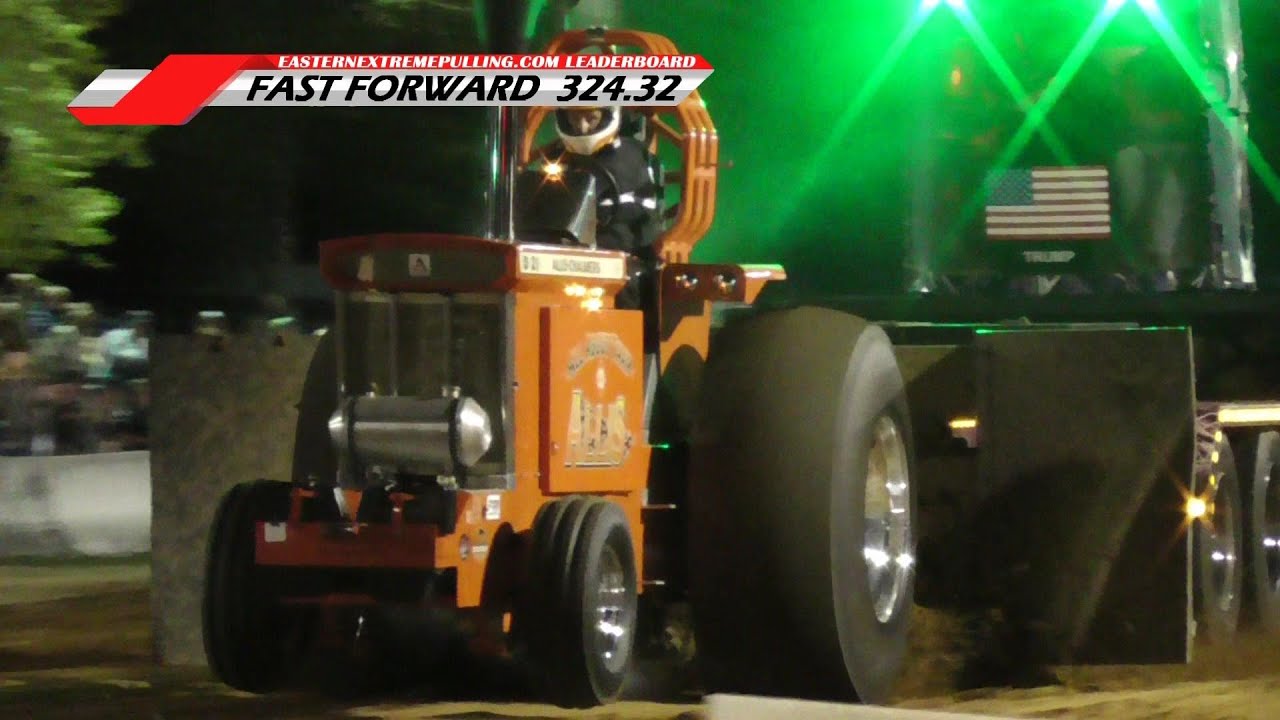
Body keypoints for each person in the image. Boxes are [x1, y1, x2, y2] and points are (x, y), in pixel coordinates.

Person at [552, 105, 663, 261]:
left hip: (627, 254)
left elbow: (633, 226)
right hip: (574, 249)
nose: (582, 127)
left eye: (591, 118)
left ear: (608, 115)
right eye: (574, 118)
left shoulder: (630, 155)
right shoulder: (559, 157)